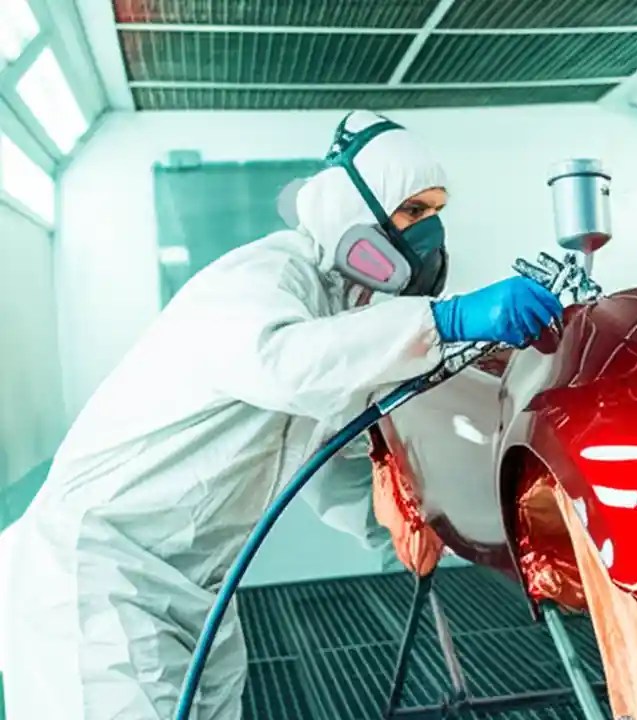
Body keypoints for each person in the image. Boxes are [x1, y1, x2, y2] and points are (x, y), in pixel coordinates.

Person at [0, 110, 564, 719]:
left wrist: (413, 532)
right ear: (354, 217)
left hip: (199, 585)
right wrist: (447, 320)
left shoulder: (342, 321)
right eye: (413, 212)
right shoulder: (265, 276)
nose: (429, 234)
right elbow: (282, 363)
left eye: (433, 213)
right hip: (99, 573)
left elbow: (332, 468)